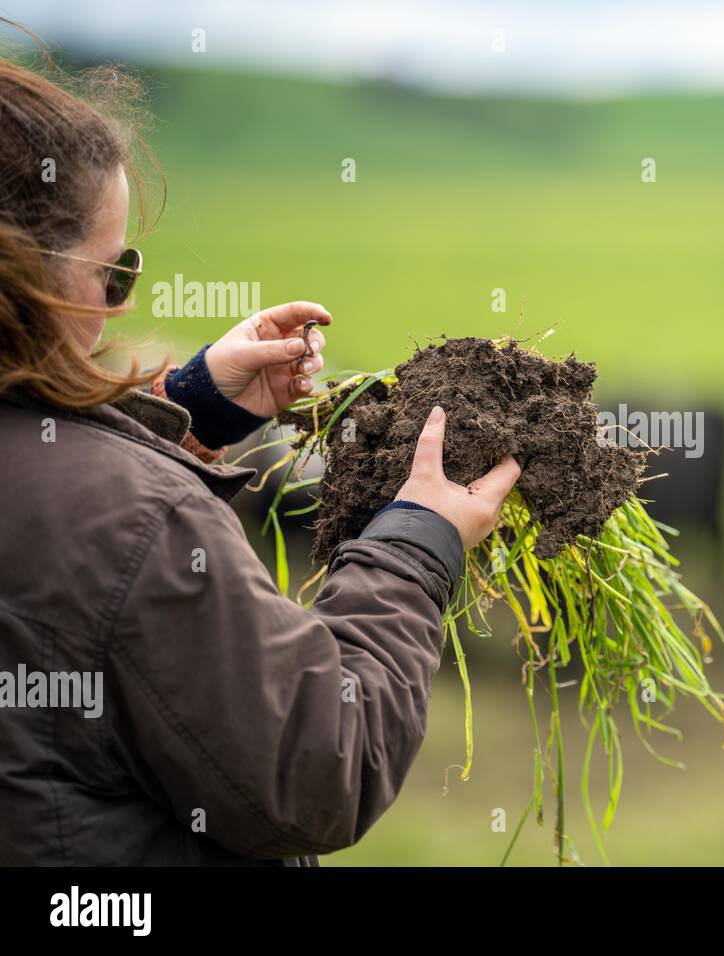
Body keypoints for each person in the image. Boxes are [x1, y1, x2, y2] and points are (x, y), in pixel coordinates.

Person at [0, 37, 520, 865]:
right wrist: (414, 548)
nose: (120, 307)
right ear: (27, 273)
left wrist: (186, 410)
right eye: (112, 274)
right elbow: (321, 765)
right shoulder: (140, 527)